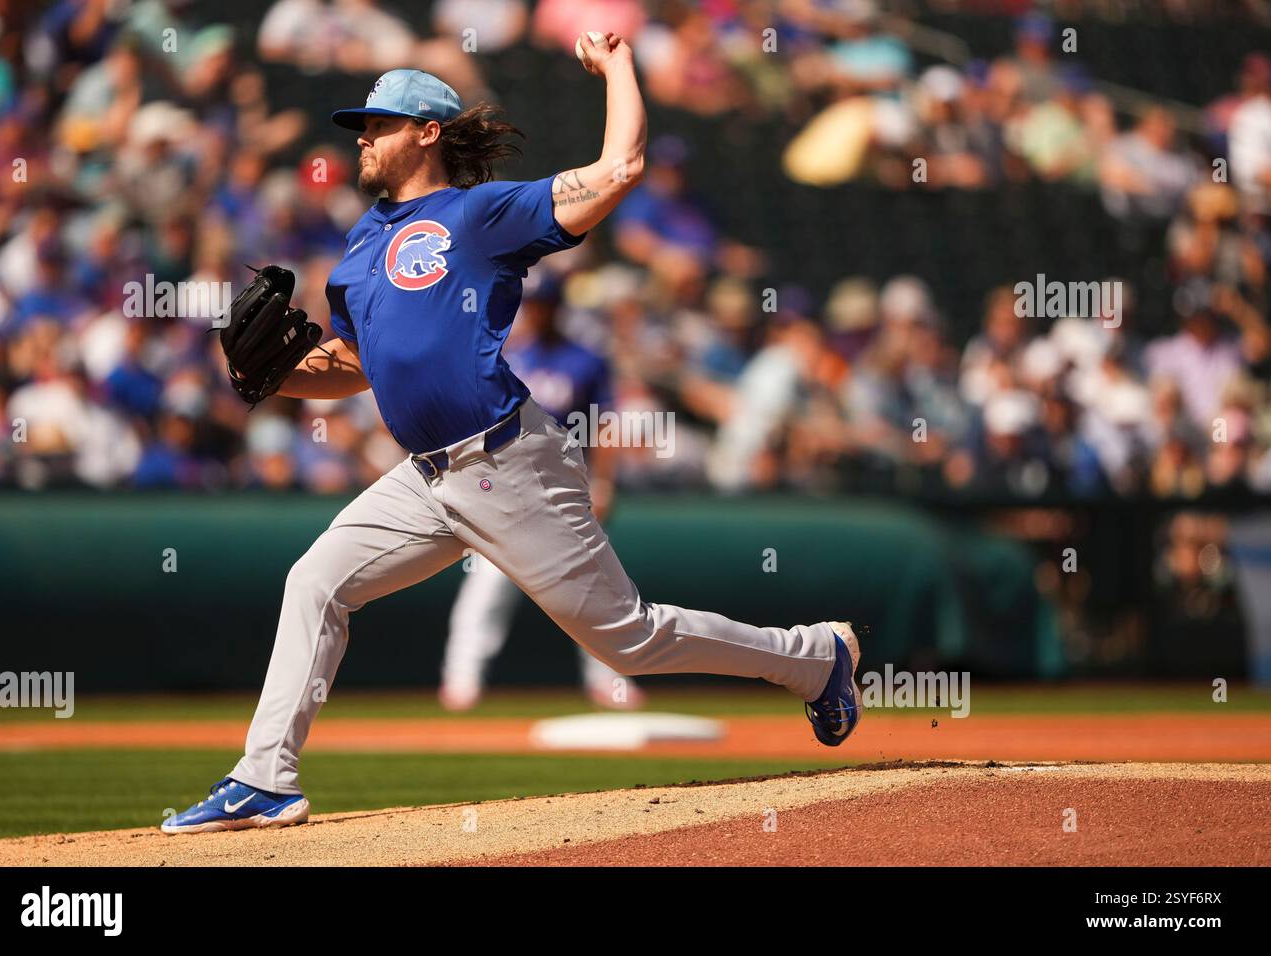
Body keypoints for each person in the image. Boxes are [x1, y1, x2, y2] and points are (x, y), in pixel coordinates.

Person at [160, 40, 861, 835]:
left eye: (377, 124)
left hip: (507, 460)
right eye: (359, 126)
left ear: (427, 132)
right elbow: (357, 364)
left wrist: (621, 65)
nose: (360, 137)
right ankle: (264, 778)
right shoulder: (358, 249)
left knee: (627, 640)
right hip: (424, 479)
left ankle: (814, 658)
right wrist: (278, 377)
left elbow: (617, 170)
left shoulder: (480, 214)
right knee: (315, 581)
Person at [437, 267, 642, 711]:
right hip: (505, 488)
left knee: (589, 585)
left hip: (562, 485)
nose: (537, 311)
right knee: (487, 586)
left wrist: (604, 480)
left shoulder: (586, 359)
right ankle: (462, 680)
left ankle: (607, 680)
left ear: (557, 307)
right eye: (532, 304)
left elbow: (605, 425)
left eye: (544, 303)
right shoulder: (506, 354)